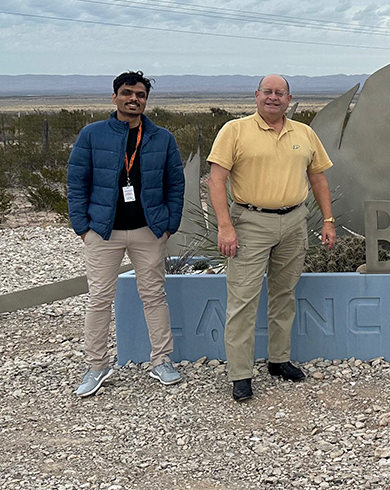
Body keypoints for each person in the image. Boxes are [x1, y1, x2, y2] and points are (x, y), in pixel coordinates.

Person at [207, 74, 336, 402]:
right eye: (268, 92)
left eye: (280, 93)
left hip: (294, 222)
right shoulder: (235, 131)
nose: (273, 98)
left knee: (284, 295)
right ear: (256, 95)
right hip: (250, 222)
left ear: (289, 99)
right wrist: (225, 226)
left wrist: (328, 220)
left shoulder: (304, 133)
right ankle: (240, 374)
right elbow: (216, 180)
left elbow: (318, 179)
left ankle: (279, 360)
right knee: (243, 301)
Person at [67, 71, 185, 398]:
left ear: (146, 100)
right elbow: (76, 183)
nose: (134, 99)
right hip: (103, 233)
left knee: (154, 297)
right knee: (99, 299)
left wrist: (168, 225)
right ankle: (96, 365)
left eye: (140, 95)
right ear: (115, 96)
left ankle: (162, 360)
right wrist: (83, 227)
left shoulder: (162, 138)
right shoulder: (92, 135)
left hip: (149, 231)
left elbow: (176, 184)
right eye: (127, 93)